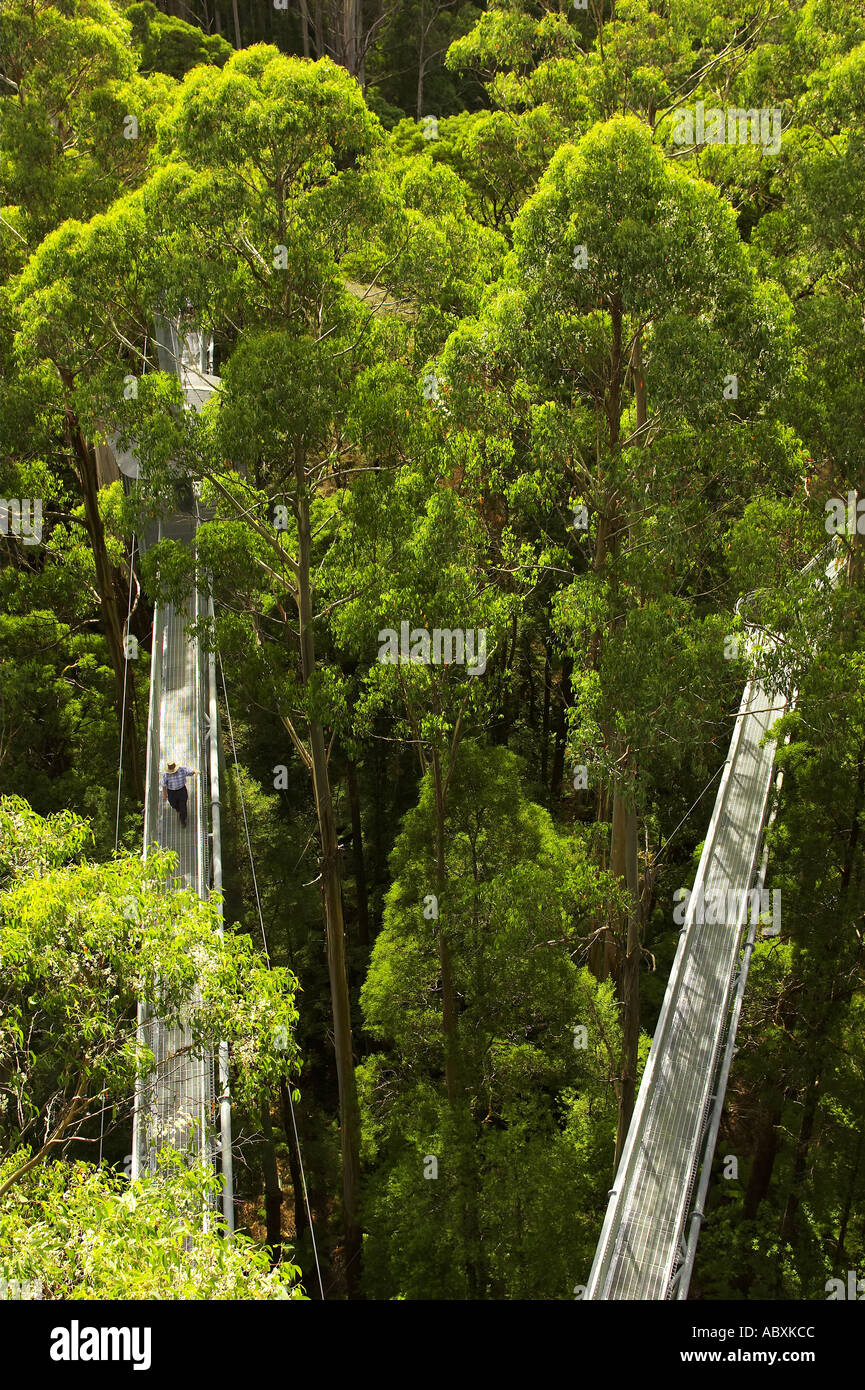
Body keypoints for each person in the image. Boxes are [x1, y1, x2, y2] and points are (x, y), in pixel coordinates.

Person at [161, 758, 197, 828]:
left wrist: (195, 771)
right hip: (171, 792)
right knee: (173, 804)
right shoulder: (166, 774)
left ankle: (183, 820)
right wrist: (165, 795)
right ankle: (178, 809)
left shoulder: (181, 769)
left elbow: (189, 772)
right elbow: (163, 784)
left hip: (181, 790)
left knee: (183, 806)